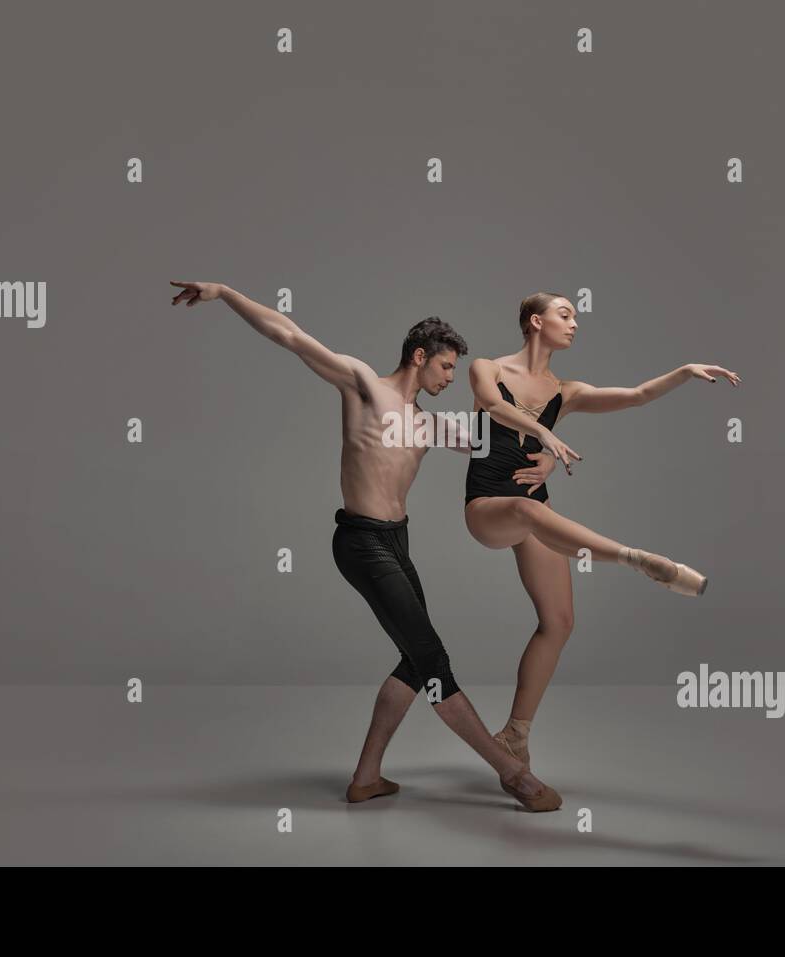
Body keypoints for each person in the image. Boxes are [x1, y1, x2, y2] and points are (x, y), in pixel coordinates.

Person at [169, 280, 563, 811]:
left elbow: (504, 436)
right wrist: (224, 293)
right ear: (419, 356)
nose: (452, 378)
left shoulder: (426, 423)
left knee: (412, 660)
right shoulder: (362, 385)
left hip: (397, 543)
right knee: (433, 663)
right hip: (360, 543)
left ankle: (366, 778)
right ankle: (513, 773)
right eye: (446, 368)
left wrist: (548, 456)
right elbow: (287, 333)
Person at [463, 292, 741, 767]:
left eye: (577, 317)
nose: (575, 324)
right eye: (565, 315)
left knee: (560, 622)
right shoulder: (487, 368)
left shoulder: (565, 391)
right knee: (528, 513)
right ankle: (637, 558)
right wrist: (547, 437)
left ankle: (516, 733)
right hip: (489, 507)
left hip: (536, 508)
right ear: (536, 321)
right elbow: (490, 406)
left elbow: (634, 396)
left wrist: (683, 371)